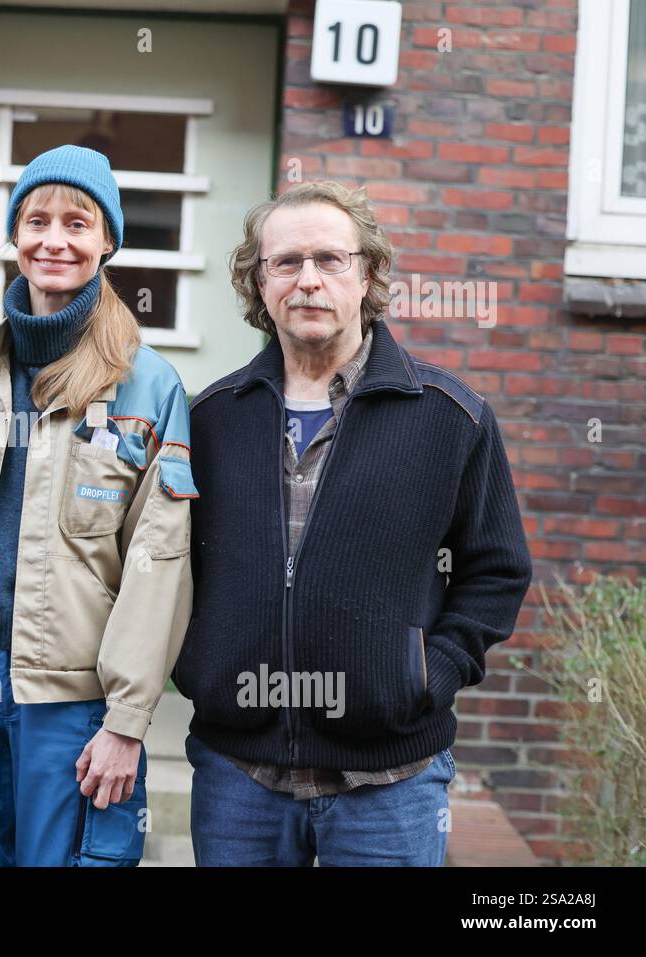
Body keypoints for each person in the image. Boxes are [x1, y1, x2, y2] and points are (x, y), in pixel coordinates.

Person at [176, 180, 532, 866]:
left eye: (329, 259)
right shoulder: (212, 418)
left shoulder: (448, 416)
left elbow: (497, 569)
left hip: (389, 782)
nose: (307, 279)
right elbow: (171, 565)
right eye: (285, 262)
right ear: (260, 282)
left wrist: (433, 671)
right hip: (237, 776)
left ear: (366, 273)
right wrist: (202, 664)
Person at [0, 144, 199, 866]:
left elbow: (159, 564)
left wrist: (127, 720)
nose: (53, 239)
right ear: (15, 234)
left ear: (108, 240)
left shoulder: (148, 388)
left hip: (71, 695)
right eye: (36, 219)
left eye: (76, 221)